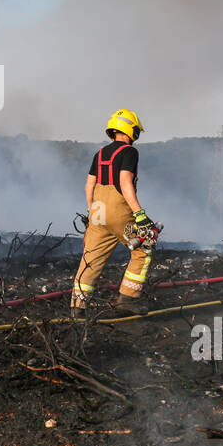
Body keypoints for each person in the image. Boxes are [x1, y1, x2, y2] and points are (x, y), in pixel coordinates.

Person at [72, 109, 156, 313]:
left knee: (90, 259)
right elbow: (125, 184)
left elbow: (88, 186)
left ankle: (77, 307)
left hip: (97, 211)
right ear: (130, 130)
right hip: (117, 211)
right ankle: (127, 300)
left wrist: (91, 212)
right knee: (144, 248)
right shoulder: (129, 152)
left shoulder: (100, 153)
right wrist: (140, 215)